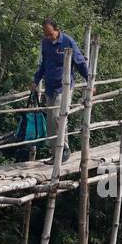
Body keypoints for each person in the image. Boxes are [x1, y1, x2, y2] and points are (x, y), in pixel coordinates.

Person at [30, 18, 89, 164]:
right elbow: (43, 64)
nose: (48, 37)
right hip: (49, 87)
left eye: (50, 34)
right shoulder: (45, 43)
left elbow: (80, 62)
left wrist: (89, 80)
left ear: (57, 30)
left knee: (58, 116)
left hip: (64, 86)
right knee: (50, 121)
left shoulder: (68, 42)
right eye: (46, 34)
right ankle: (55, 152)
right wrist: (36, 80)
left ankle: (64, 149)